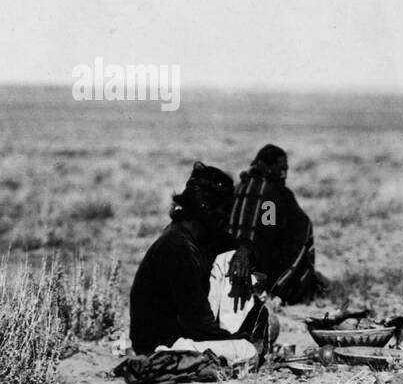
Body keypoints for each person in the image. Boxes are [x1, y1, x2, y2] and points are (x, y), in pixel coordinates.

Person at [128, 161, 272, 362]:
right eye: (225, 209)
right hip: (162, 344)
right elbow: (197, 324)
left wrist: (243, 251)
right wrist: (235, 340)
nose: (228, 216)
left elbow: (240, 244)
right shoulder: (180, 248)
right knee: (248, 352)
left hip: (180, 334)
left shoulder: (197, 234)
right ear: (206, 207)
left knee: (231, 258)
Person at [226, 144, 320, 307]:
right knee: (302, 230)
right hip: (261, 273)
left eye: (286, 169)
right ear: (267, 167)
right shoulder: (275, 194)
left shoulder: (236, 189)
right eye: (280, 168)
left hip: (227, 269)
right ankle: (284, 289)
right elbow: (281, 233)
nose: (284, 174)